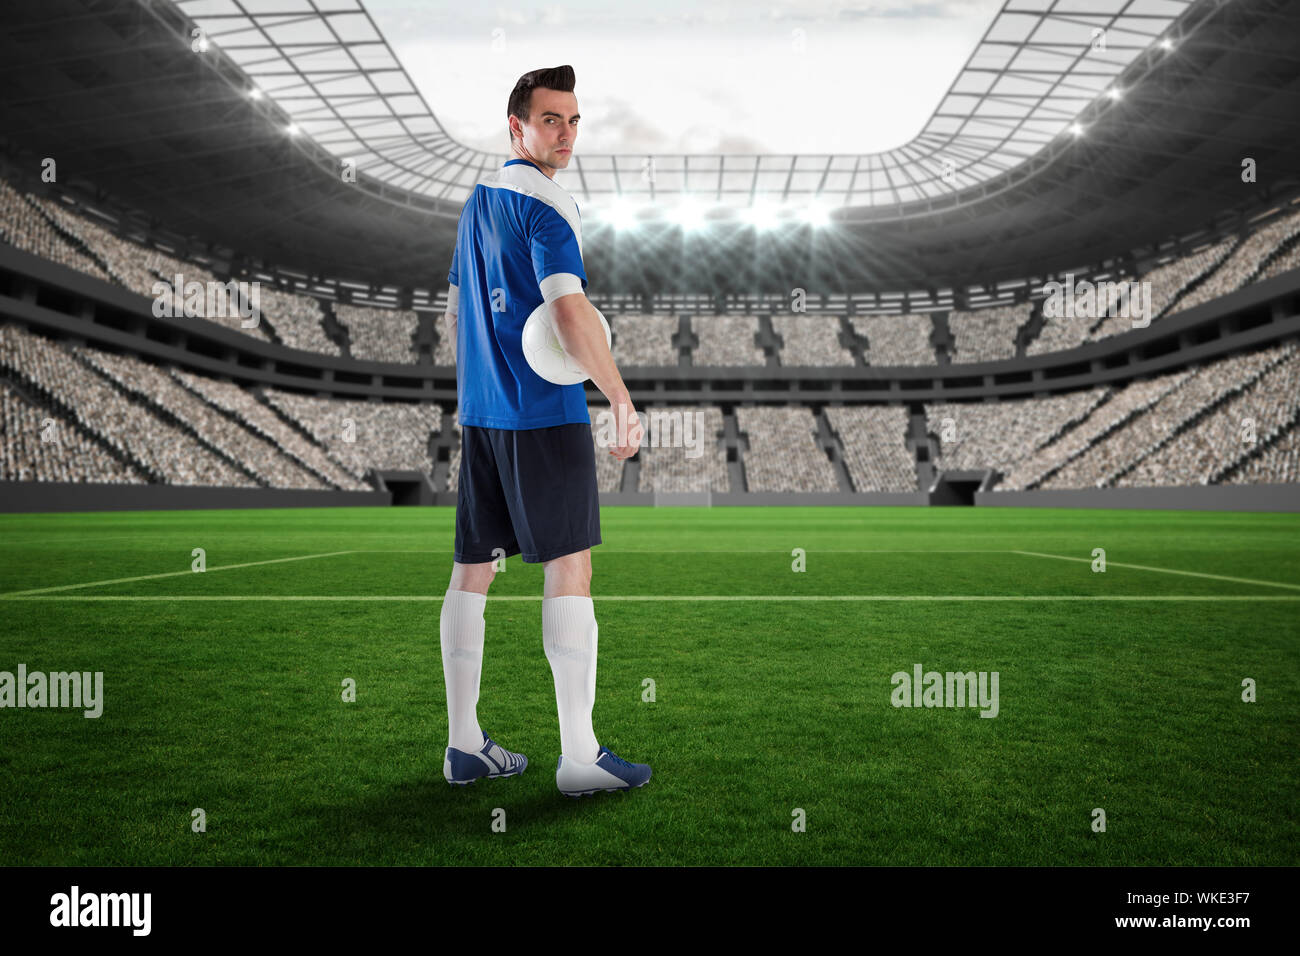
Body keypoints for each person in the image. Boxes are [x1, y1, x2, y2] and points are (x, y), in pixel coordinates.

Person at [440, 64, 651, 798]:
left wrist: (481, 385)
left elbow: (464, 307)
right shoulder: (550, 206)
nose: (564, 133)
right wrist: (619, 395)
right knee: (570, 567)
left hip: (483, 415)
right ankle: (579, 757)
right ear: (516, 126)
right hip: (543, 412)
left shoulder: (476, 203)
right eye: (550, 119)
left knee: (475, 569)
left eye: (572, 120)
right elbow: (567, 310)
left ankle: (464, 745)